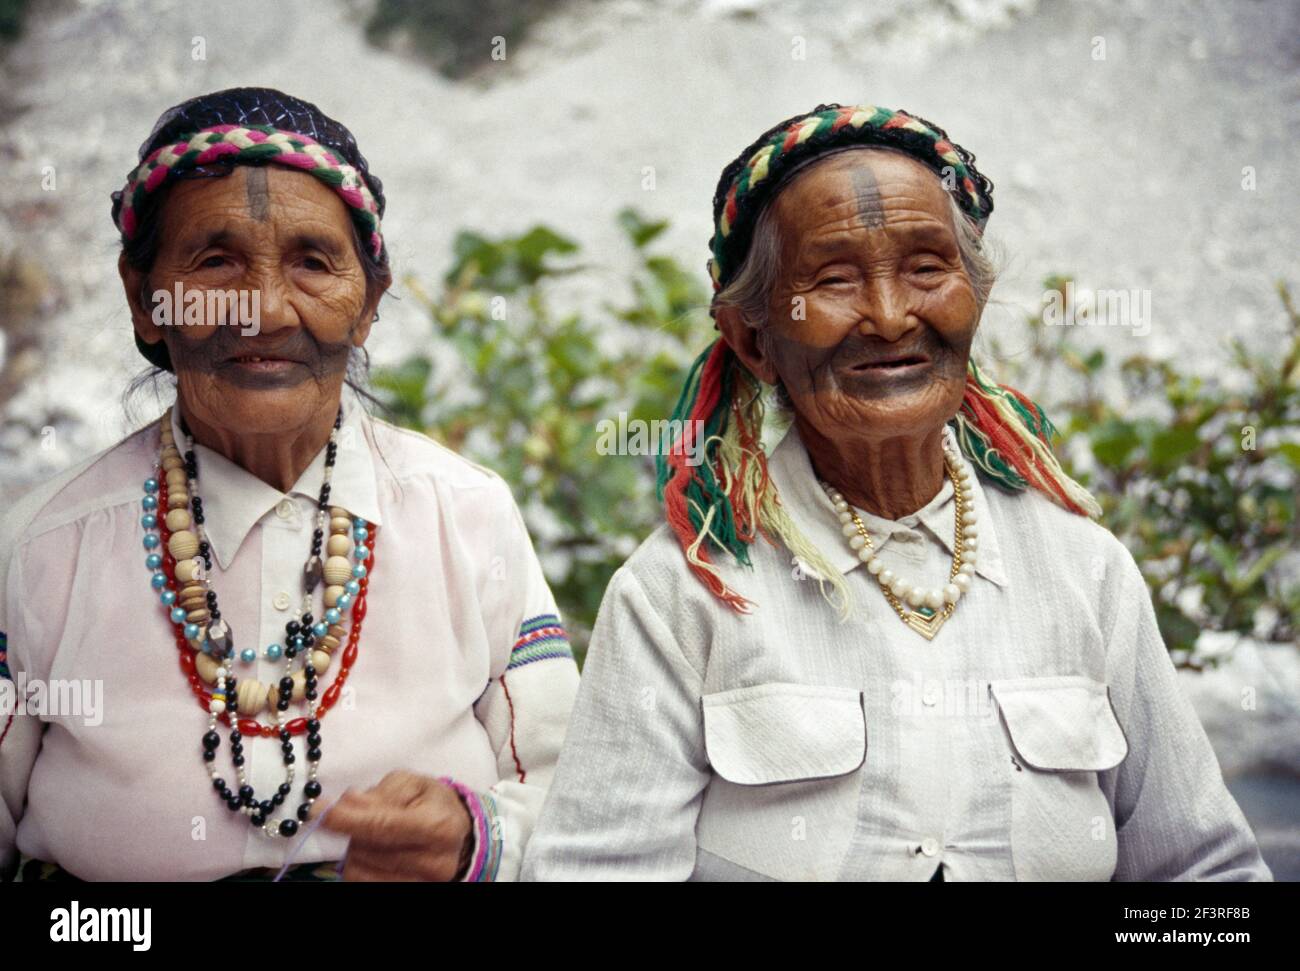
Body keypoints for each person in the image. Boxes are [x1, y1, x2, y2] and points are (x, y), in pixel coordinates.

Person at [522, 103, 1273, 881]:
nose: (888, 316)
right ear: (752, 339)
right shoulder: (682, 594)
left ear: (972, 299)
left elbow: (1206, 882)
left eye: (926, 268)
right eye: (835, 279)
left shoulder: (1085, 572)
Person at [0, 87, 579, 881]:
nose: (265, 310)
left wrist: (483, 838)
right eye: (215, 261)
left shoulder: (467, 518)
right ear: (144, 302)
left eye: (313, 262)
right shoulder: (40, 550)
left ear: (368, 303)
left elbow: (586, 801)